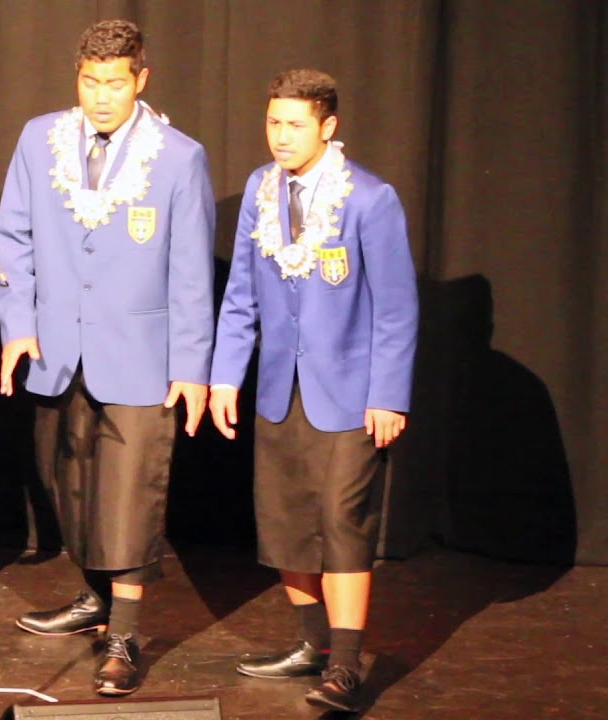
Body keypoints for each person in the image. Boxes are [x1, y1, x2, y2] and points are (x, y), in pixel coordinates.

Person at [0, 19, 216, 696]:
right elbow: (15, 235)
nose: (100, 96)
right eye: (90, 81)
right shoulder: (40, 139)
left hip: (140, 354)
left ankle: (123, 633)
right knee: (70, 482)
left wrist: (192, 366)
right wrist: (17, 325)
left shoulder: (179, 156)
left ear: (140, 80)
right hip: (60, 348)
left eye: (114, 83)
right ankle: (93, 597)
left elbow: (191, 271)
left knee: (127, 496)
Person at [208, 68, 418, 713]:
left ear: (328, 127)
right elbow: (242, 293)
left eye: (295, 124)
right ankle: (312, 644)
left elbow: (396, 308)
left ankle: (348, 665)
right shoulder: (259, 189)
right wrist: (224, 375)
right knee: (288, 522)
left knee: (342, 522)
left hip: (351, 393)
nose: (280, 136)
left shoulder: (369, 199)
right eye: (273, 122)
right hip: (280, 388)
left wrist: (389, 395)